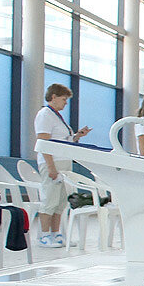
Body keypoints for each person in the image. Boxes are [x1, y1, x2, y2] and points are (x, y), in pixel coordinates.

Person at [34, 84, 91, 248]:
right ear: (53, 97)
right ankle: (44, 236)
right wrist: (51, 167)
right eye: (64, 99)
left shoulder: (56, 116)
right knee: (49, 199)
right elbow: (43, 142)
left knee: (60, 202)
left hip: (63, 162)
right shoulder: (45, 115)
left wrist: (77, 136)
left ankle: (55, 233)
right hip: (52, 163)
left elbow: (61, 141)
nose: (66, 103)